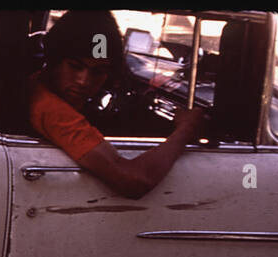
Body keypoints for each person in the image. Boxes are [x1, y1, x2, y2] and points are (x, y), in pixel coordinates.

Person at [30, 10, 205, 199]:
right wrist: (185, 129)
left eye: (98, 71)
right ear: (54, 61)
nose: (84, 81)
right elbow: (135, 180)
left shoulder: (36, 86)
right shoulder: (52, 110)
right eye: (75, 66)